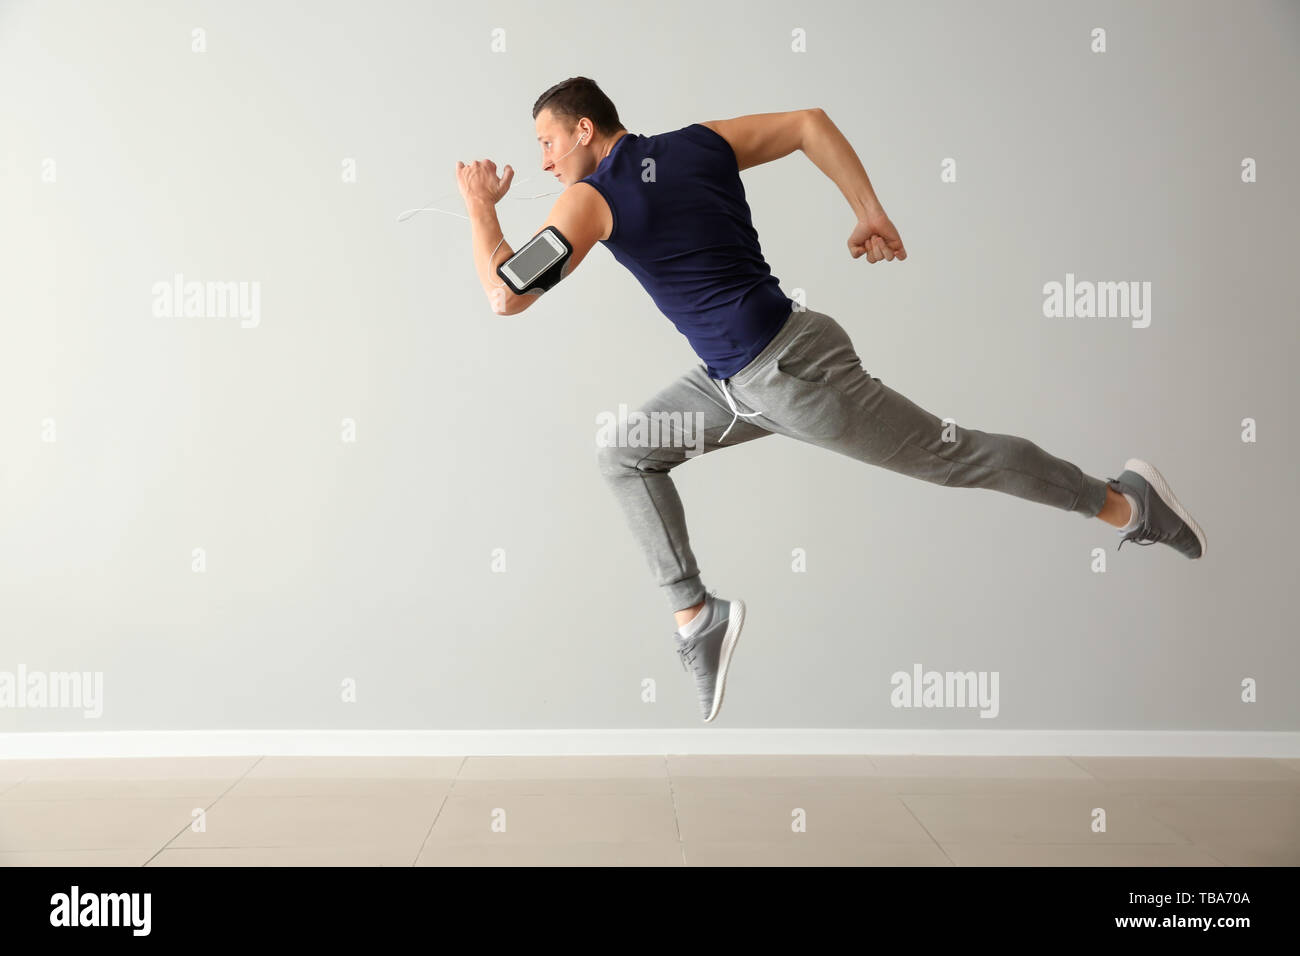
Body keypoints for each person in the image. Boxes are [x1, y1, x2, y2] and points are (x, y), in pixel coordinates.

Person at [455, 76, 1207, 724]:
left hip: (789, 376)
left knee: (955, 459)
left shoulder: (589, 200)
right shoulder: (695, 143)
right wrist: (866, 208)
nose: (544, 160)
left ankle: (1124, 502)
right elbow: (809, 123)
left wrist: (479, 206)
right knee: (624, 452)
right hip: (736, 382)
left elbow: (505, 297)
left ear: (587, 130)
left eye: (548, 141)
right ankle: (697, 614)